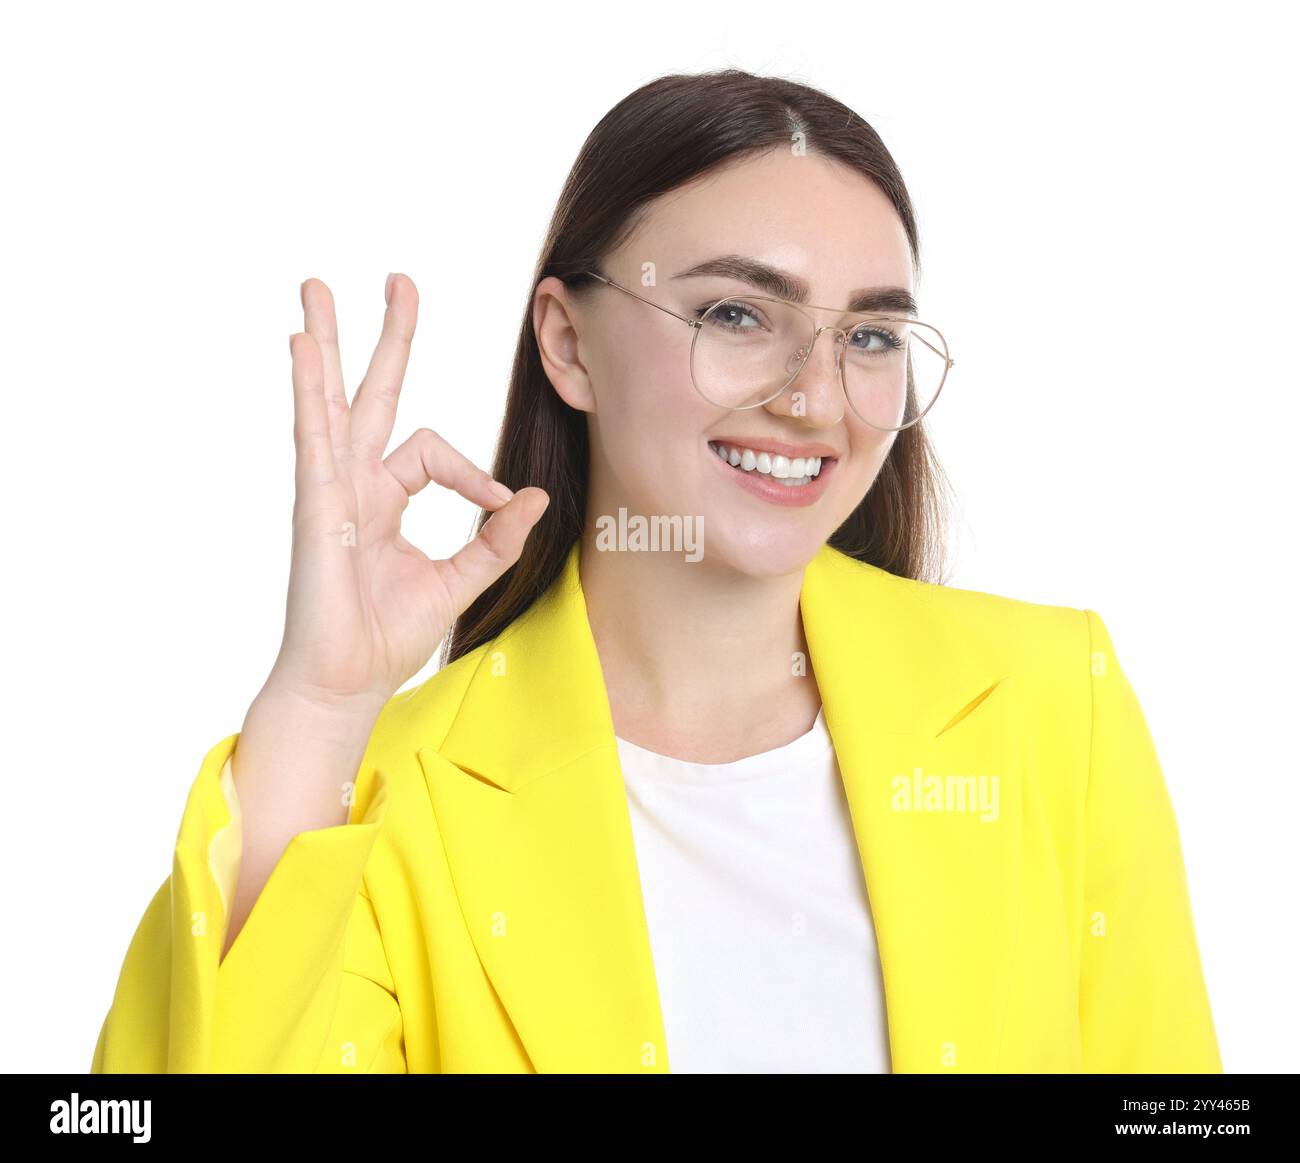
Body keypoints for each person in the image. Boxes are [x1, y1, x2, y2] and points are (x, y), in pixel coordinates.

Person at [91, 68, 1222, 1074]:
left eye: (869, 336)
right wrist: (320, 710)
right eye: (737, 312)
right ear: (567, 343)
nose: (814, 398)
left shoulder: (1047, 702)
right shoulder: (386, 793)